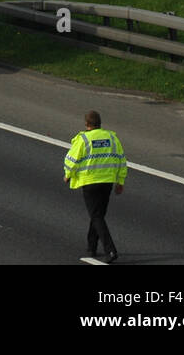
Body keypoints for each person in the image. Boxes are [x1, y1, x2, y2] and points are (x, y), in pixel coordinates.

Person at [63, 110, 127, 262]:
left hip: (90, 182)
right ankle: (91, 247)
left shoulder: (83, 139)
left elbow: (72, 159)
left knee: (96, 216)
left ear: (86, 124)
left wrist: (67, 174)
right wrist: (120, 181)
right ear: (100, 123)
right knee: (98, 215)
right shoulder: (112, 138)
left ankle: (110, 250)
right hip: (107, 182)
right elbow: (121, 160)